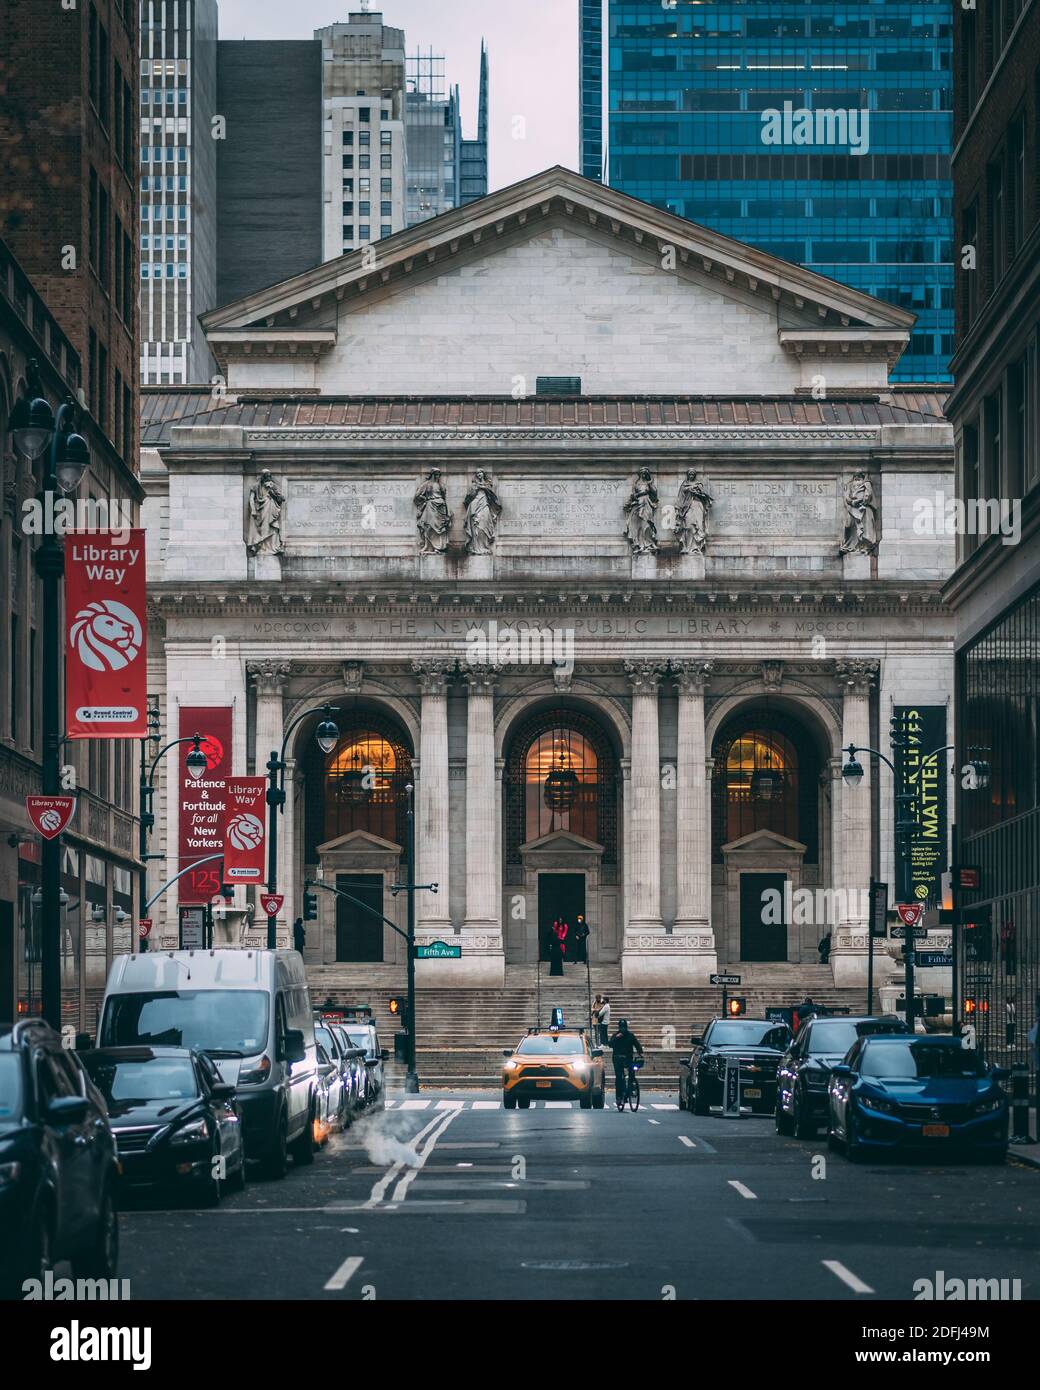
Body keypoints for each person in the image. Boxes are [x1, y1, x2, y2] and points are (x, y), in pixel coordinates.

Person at [609, 1018, 644, 1109]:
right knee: (619, 1077)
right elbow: (610, 1044)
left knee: (632, 1073)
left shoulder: (630, 1035)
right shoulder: (616, 1035)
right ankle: (619, 1097)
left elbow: (637, 1045)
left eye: (624, 1027)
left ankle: (630, 1089)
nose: (623, 1029)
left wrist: (640, 1052)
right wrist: (616, 1038)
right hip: (617, 1058)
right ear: (619, 1027)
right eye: (621, 1027)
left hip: (628, 1058)